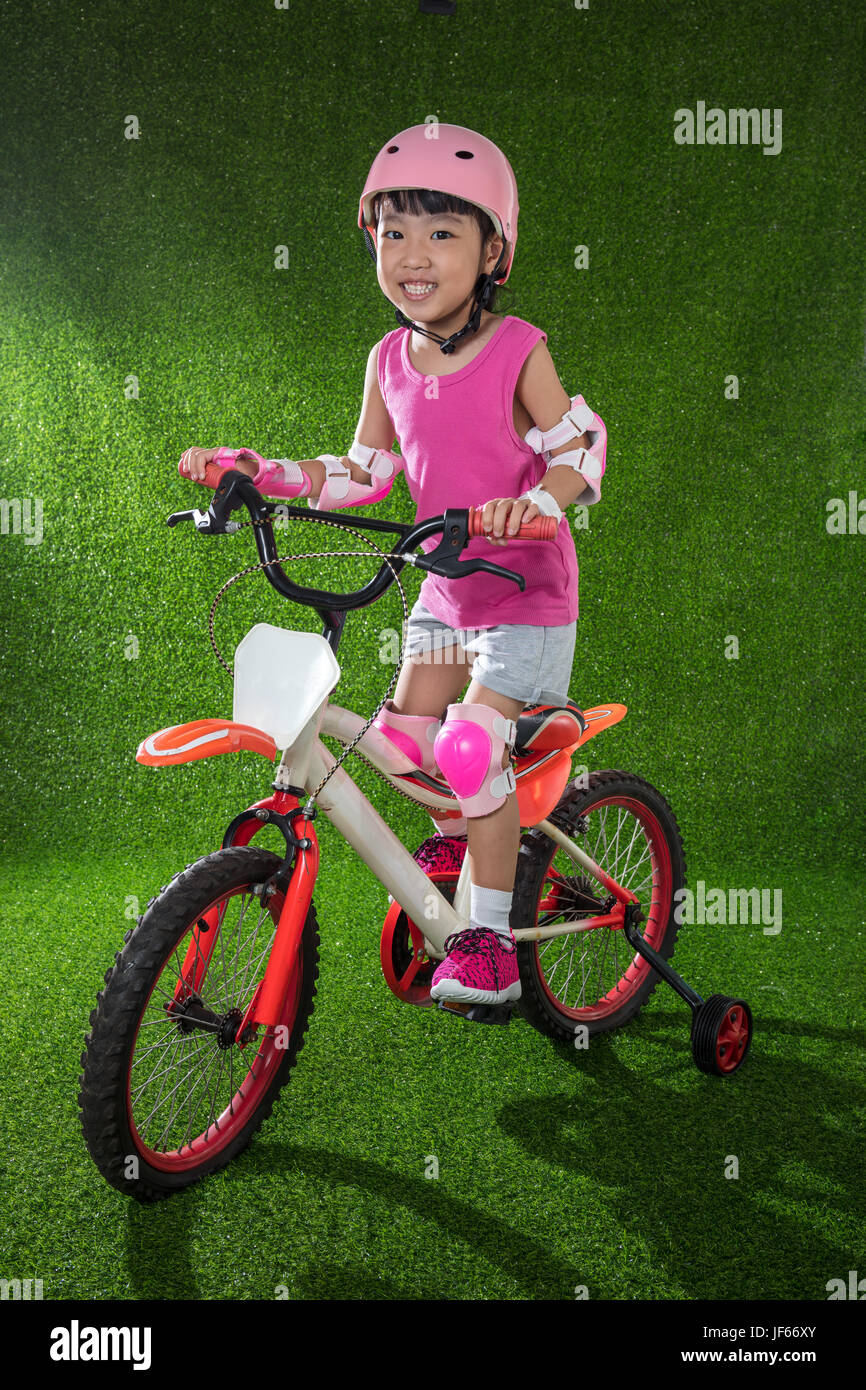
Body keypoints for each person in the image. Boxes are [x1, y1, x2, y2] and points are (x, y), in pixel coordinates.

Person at [178, 122, 607, 1017]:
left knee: (467, 748)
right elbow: (367, 472)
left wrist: (544, 500)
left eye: (443, 233)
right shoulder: (388, 361)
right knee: (402, 749)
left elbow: (581, 446)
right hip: (445, 588)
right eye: (394, 232)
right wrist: (268, 476)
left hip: (526, 600)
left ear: (494, 250)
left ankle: (487, 944)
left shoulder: (519, 349)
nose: (414, 255)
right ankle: (466, 833)